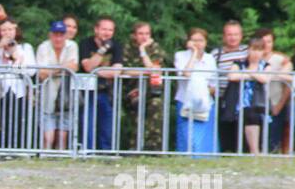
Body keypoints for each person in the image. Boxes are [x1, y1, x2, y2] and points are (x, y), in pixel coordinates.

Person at [0, 18, 35, 148]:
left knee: (17, 120)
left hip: (18, 91)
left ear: (16, 30)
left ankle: (16, 148)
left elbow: (31, 70)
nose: (7, 33)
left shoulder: (25, 47)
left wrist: (16, 54)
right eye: (4, 30)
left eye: (10, 29)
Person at [78, 16, 123, 151]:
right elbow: (87, 67)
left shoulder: (116, 45)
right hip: (87, 90)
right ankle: (87, 152)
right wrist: (103, 49)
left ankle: (106, 153)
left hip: (107, 91)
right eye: (104, 29)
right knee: (87, 123)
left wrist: (95, 70)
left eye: (110, 30)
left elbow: (117, 71)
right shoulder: (85, 44)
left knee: (107, 124)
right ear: (96, 29)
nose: (107, 33)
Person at [121, 21, 166, 151]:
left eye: (147, 33)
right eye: (140, 33)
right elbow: (125, 70)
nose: (144, 37)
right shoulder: (127, 48)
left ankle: (154, 147)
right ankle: (134, 148)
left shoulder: (154, 48)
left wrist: (143, 51)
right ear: (134, 35)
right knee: (135, 117)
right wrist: (146, 71)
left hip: (151, 90)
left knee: (156, 108)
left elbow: (155, 69)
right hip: (131, 91)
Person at [173, 27, 217, 156]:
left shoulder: (210, 58)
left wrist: (202, 93)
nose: (197, 43)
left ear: (206, 42)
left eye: (200, 40)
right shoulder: (180, 55)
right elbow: (186, 73)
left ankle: (204, 158)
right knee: (187, 136)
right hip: (185, 100)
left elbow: (213, 84)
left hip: (205, 102)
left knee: (203, 138)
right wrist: (194, 54)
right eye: (194, 40)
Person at [36, 20, 77, 150]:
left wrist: (52, 70)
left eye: (61, 34)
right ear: (50, 35)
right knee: (48, 138)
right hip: (47, 97)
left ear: (65, 35)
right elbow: (41, 74)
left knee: (62, 137)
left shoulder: (72, 45)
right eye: (55, 34)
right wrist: (62, 68)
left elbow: (73, 67)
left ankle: (61, 164)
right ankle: (44, 161)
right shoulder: (43, 47)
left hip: (66, 97)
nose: (58, 38)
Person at [212, 20, 248, 152]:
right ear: (224, 36)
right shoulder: (216, 54)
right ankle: (225, 151)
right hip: (221, 96)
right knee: (224, 126)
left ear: (241, 35)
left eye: (236, 34)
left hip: (242, 97)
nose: (233, 38)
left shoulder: (247, 51)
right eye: (229, 34)